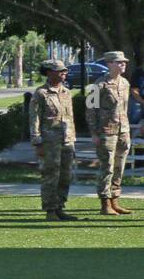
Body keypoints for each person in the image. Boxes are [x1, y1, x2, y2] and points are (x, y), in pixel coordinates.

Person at [30, 60, 78, 221]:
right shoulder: (41, 93)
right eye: (60, 71)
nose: (64, 73)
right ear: (49, 73)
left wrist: (73, 138)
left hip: (67, 140)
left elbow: (70, 117)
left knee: (66, 175)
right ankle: (50, 210)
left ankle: (60, 207)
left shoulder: (66, 92)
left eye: (65, 71)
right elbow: (34, 118)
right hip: (49, 142)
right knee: (51, 175)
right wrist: (37, 141)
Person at [88, 52, 134, 216]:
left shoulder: (125, 83)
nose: (123, 64)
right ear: (109, 64)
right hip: (106, 132)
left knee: (119, 167)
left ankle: (115, 200)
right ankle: (105, 203)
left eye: (124, 62)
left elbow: (125, 108)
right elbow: (90, 110)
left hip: (123, 131)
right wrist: (94, 133)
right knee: (106, 167)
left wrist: (127, 128)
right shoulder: (98, 84)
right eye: (119, 62)